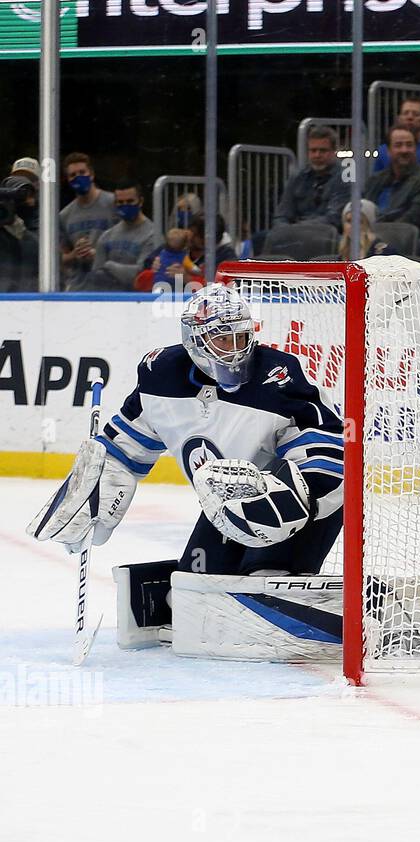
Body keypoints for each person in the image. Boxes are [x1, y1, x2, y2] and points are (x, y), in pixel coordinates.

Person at [27, 284, 346, 649]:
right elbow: (124, 448)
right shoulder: (160, 375)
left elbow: (327, 449)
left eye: (242, 336)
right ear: (195, 341)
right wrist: (97, 492)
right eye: (223, 340)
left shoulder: (278, 376)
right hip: (222, 509)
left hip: (295, 511)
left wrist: (301, 499)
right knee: (187, 602)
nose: (237, 349)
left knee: (260, 587)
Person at [58, 152, 116, 292]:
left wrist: (98, 254)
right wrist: (74, 255)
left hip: (111, 287)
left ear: (91, 174)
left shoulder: (113, 203)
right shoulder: (64, 215)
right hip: (79, 290)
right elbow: (60, 259)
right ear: (68, 180)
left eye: (82, 172)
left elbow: (128, 239)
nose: (78, 177)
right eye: (73, 175)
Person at [89, 182, 162, 291]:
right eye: (120, 202)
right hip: (108, 300)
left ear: (140, 201)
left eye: (130, 201)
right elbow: (97, 276)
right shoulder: (106, 236)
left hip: (138, 302)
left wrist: (109, 266)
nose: (125, 205)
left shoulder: (153, 235)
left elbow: (141, 275)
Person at [274, 125, 349, 229]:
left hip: (326, 234)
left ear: (334, 152)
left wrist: (298, 228)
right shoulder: (298, 176)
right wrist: (285, 229)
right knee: (259, 238)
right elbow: (281, 215)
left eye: (323, 151)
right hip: (295, 232)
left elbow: (334, 218)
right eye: (313, 150)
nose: (317, 155)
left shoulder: (345, 177)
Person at [364, 125, 420, 228]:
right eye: (398, 145)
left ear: (415, 149)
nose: (404, 150)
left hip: (401, 239)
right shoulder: (375, 180)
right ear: (388, 151)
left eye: (409, 145)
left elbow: (413, 219)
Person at [373, 96, 420, 174]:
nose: (410, 117)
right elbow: (377, 181)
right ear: (399, 119)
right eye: (405, 113)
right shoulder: (383, 150)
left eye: (416, 114)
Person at [0, 175, 38, 292]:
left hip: (29, 300)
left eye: (31, 195)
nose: (29, 201)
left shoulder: (39, 235)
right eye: (22, 197)